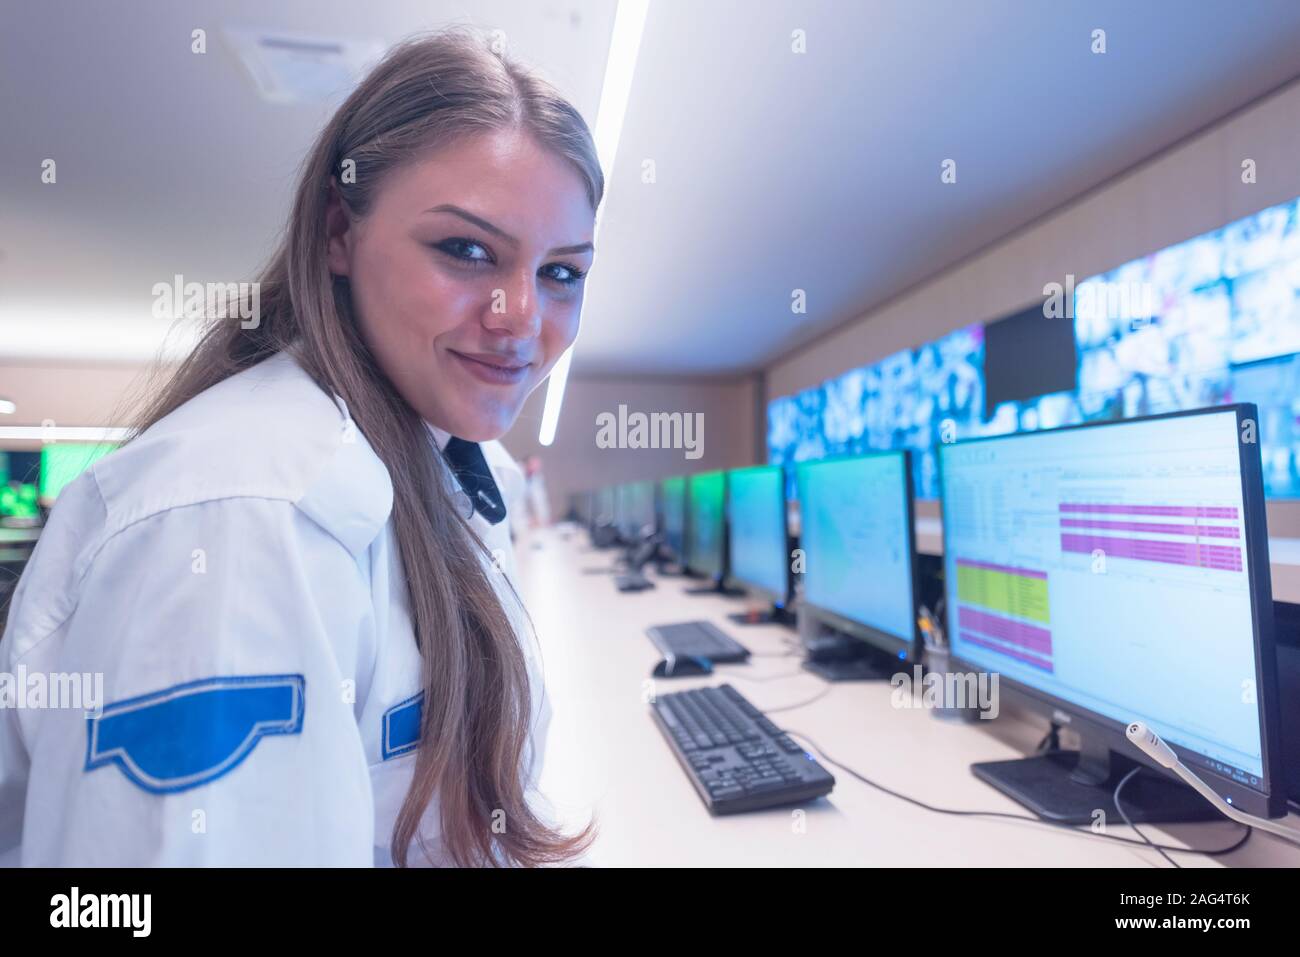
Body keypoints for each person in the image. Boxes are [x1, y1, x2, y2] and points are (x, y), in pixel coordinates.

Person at [0, 28, 601, 867]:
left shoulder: (446, 464)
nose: (522, 318)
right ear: (336, 231)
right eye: (466, 250)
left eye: (562, 273)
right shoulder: (238, 522)